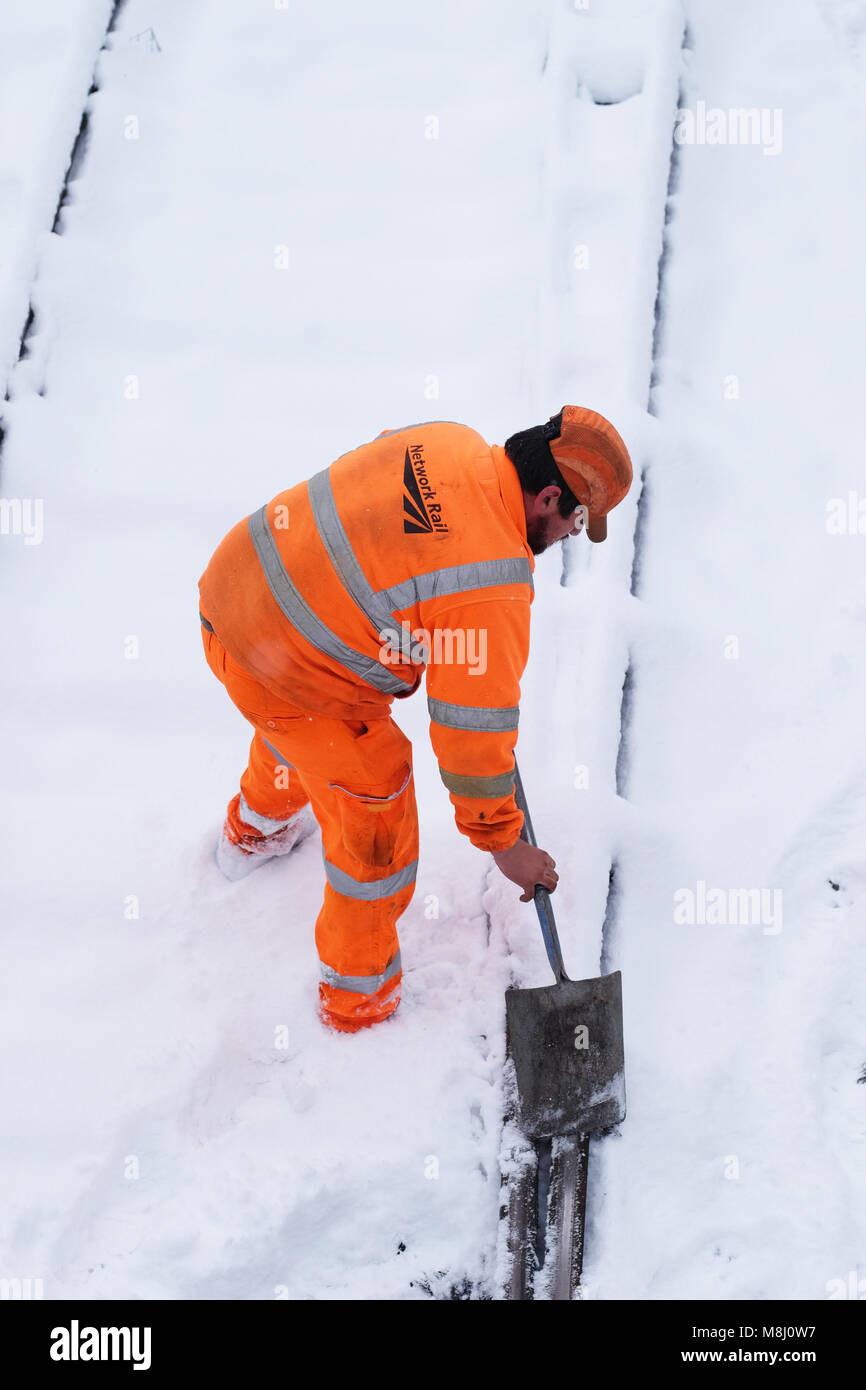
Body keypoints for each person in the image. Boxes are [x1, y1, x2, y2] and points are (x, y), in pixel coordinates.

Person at [198, 405, 632, 1032]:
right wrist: (504, 843)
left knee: (314, 725)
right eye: (577, 521)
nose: (570, 537)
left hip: (238, 593)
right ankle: (358, 1002)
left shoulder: (450, 443)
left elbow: (387, 529)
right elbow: (470, 733)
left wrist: (419, 633)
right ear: (547, 498)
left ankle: (256, 831)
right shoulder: (489, 585)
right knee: (374, 802)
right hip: (286, 666)